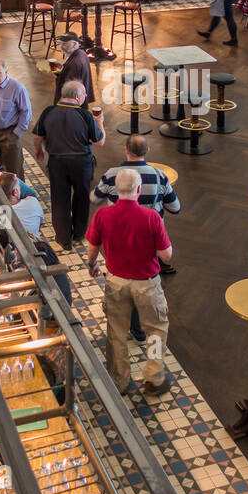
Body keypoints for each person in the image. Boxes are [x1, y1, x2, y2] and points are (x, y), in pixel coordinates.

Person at [85, 168, 174, 396]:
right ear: (138, 189)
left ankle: (119, 382)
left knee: (117, 333)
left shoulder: (103, 215)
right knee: (155, 331)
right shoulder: (151, 217)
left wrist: (92, 264)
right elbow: (166, 256)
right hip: (147, 284)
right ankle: (153, 377)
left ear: (115, 189)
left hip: (116, 282)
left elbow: (93, 247)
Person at [33, 79, 105, 251]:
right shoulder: (85, 115)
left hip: (57, 162)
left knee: (59, 199)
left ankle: (63, 239)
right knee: (81, 197)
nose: (85, 97)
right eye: (84, 94)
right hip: (81, 163)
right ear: (77, 96)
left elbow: (37, 136)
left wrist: (40, 151)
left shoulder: (48, 111)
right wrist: (100, 121)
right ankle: (79, 234)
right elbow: (100, 142)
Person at [0, 59, 32, 178]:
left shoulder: (17, 88)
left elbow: (26, 113)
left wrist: (16, 134)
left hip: (9, 133)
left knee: (14, 170)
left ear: (6, 72)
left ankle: (18, 195)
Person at [0, 171, 45, 239]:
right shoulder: (33, 201)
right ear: (15, 192)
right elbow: (41, 223)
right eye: (19, 186)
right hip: (35, 245)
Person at [52, 32, 95, 104]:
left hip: (72, 104)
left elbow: (69, 89)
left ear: (74, 44)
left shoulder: (74, 64)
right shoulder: (82, 53)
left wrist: (57, 74)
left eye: (64, 44)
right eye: (60, 43)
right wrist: (63, 68)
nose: (61, 46)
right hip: (81, 98)